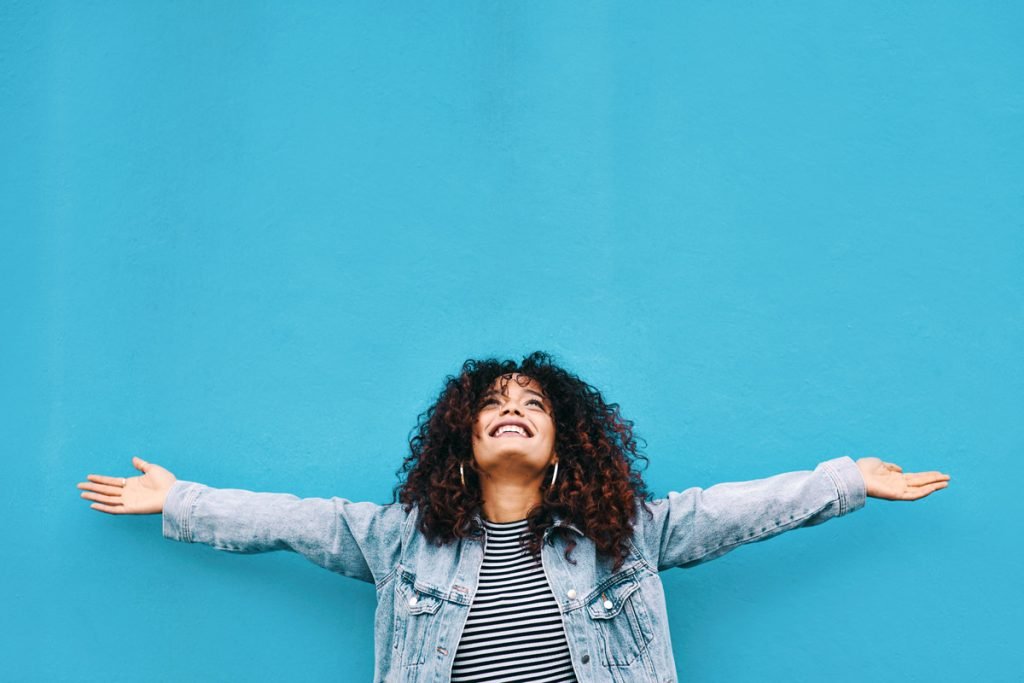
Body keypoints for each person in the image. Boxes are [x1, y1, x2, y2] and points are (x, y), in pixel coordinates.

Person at [77, 352, 950, 683]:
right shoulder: (400, 540)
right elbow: (297, 519)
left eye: (534, 402)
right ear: (465, 435)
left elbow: (729, 510)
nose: (513, 408)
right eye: (493, 402)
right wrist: (181, 498)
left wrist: (848, 479)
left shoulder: (627, 533)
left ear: (562, 438)